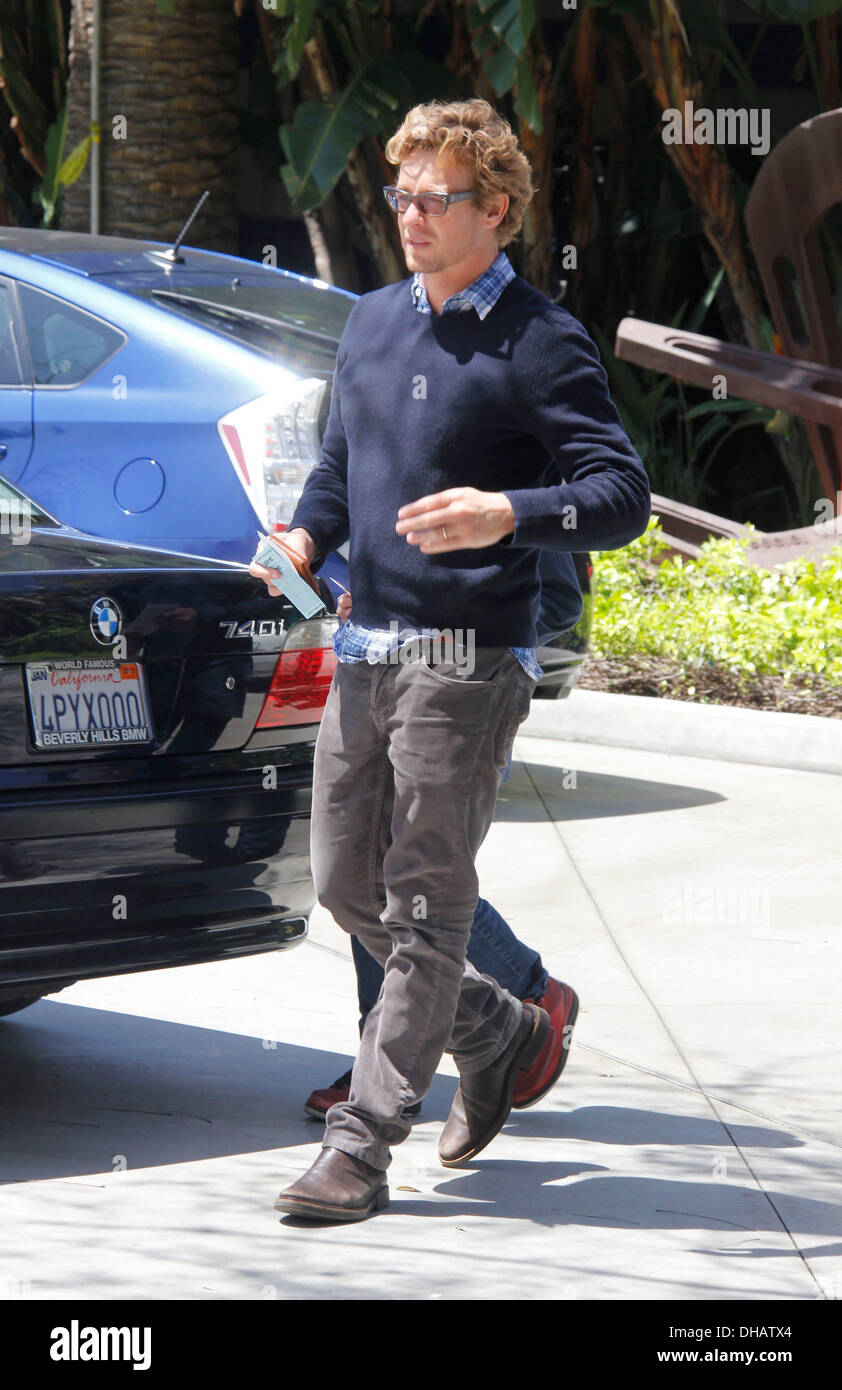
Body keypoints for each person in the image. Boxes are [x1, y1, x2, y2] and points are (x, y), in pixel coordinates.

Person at [252, 97, 650, 1222]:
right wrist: (302, 535)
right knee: (341, 881)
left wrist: (505, 511)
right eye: (401, 195)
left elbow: (617, 496)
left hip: (467, 658)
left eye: (436, 199)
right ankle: (500, 1027)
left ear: (499, 209)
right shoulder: (374, 322)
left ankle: (363, 1145)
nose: (410, 216)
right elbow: (339, 466)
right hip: (363, 647)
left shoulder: (540, 338)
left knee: (426, 906)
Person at [303, 554, 583, 1123]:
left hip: (460, 694)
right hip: (372, 684)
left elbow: (558, 600)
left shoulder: (499, 470)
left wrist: (453, 650)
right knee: (364, 880)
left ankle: (523, 994)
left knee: (416, 887)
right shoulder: (363, 474)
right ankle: (494, 1019)